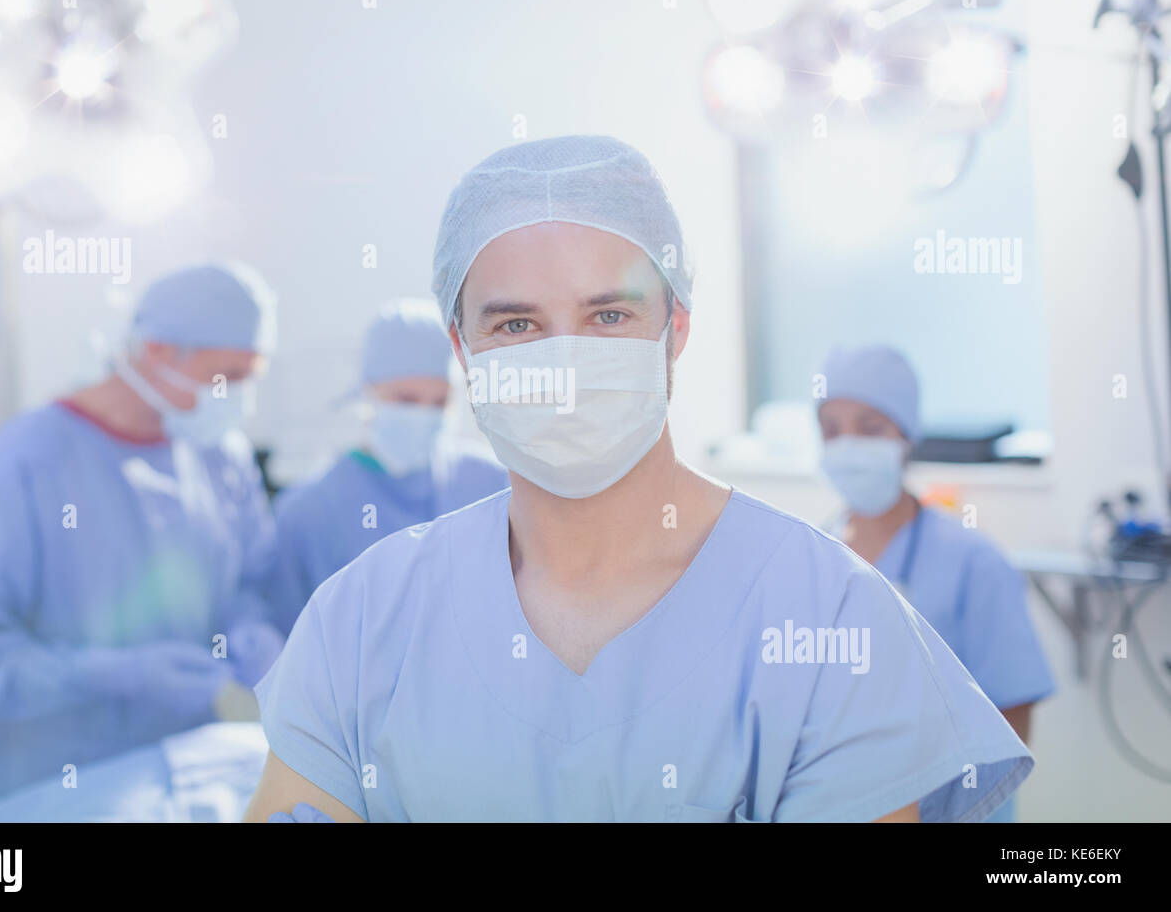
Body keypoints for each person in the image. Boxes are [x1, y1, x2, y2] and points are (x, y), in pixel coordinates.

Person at [246, 135, 1032, 823]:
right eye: (516, 325)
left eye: (609, 316)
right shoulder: (360, 621)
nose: (563, 362)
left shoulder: (829, 615)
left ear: (675, 327)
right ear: (464, 350)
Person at [0, 262, 285, 798]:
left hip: (187, 772)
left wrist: (249, 630)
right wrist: (104, 675)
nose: (237, 399)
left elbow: (248, 579)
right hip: (60, 782)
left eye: (249, 379)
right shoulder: (23, 463)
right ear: (158, 352)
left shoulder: (219, 456)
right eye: (226, 378)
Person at [815, 343, 1056, 822]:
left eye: (870, 427)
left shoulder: (973, 560)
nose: (848, 445)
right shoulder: (815, 556)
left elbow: (1013, 715)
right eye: (831, 430)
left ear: (906, 436)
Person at [268, 299, 507, 634]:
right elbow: (288, 641)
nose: (423, 417)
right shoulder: (309, 512)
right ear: (368, 393)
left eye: (439, 403)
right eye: (406, 400)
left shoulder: (491, 483)